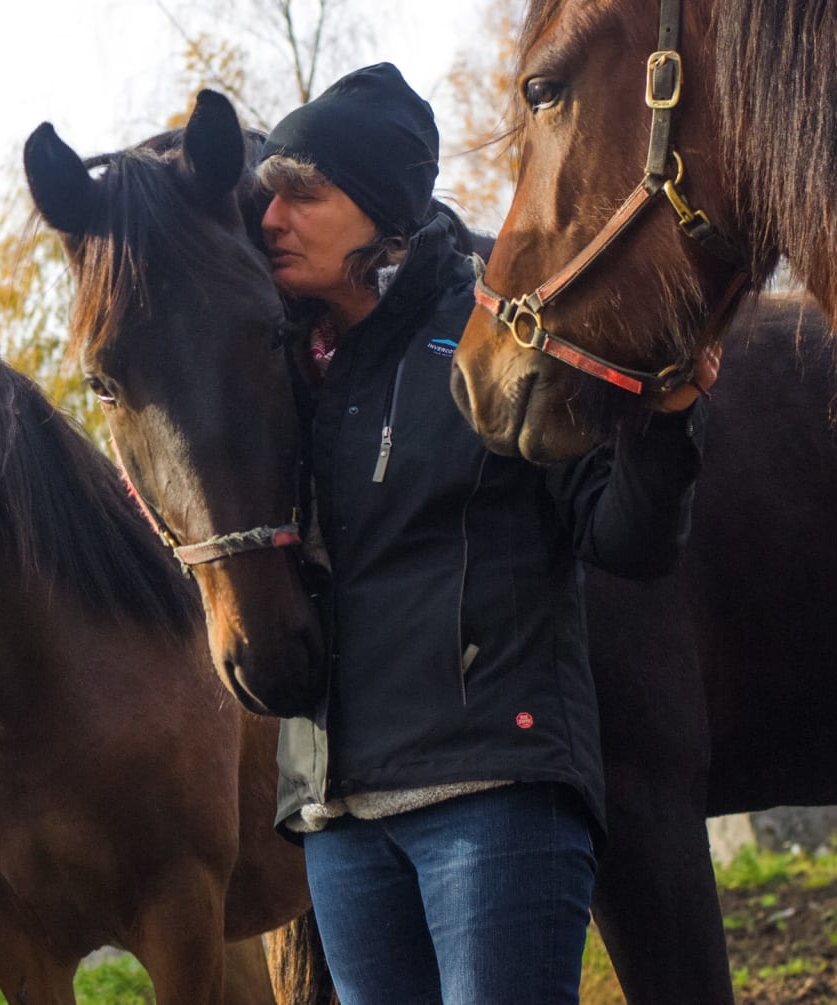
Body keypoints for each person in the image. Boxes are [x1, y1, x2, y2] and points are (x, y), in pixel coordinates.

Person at [257, 64, 714, 1003]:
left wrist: (665, 424)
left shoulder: (502, 338)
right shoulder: (282, 375)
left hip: (492, 796)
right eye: (269, 195)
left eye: (303, 194)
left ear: (383, 209)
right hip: (341, 814)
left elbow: (626, 539)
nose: (272, 219)